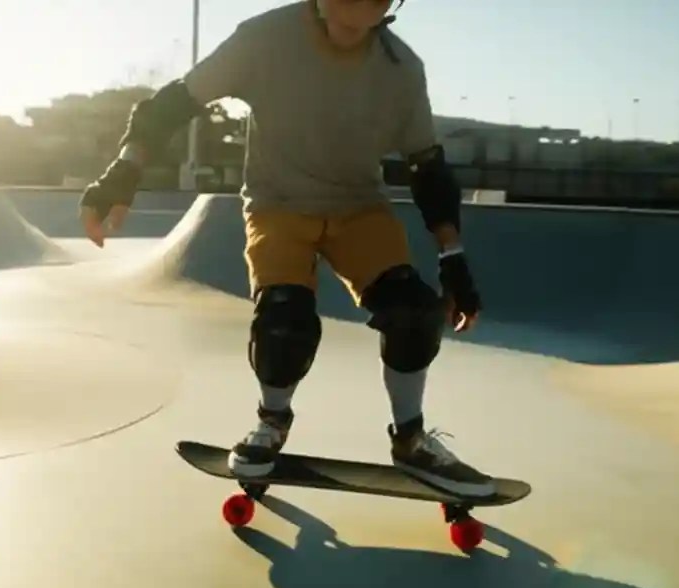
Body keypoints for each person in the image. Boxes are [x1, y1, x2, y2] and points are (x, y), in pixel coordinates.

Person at [79, 0, 496, 497]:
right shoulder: (264, 38)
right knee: (285, 321)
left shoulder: (402, 70)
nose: (358, 9)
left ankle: (411, 439)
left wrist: (453, 259)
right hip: (278, 206)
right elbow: (172, 104)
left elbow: (427, 167)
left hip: (358, 209)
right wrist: (125, 168)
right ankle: (272, 422)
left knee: (413, 312)